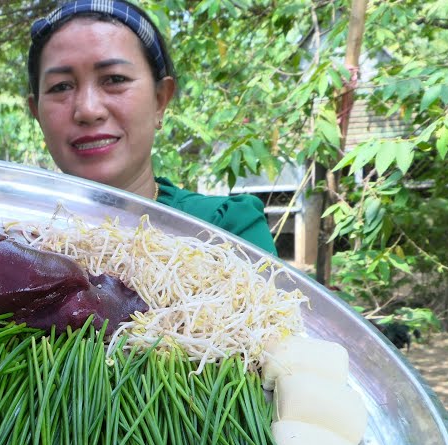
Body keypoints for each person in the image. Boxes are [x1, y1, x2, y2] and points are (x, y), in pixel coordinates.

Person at [26, 0, 277, 255]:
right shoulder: (15, 233)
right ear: (37, 113)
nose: (89, 110)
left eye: (114, 79)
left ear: (160, 100)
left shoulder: (223, 231)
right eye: (61, 86)